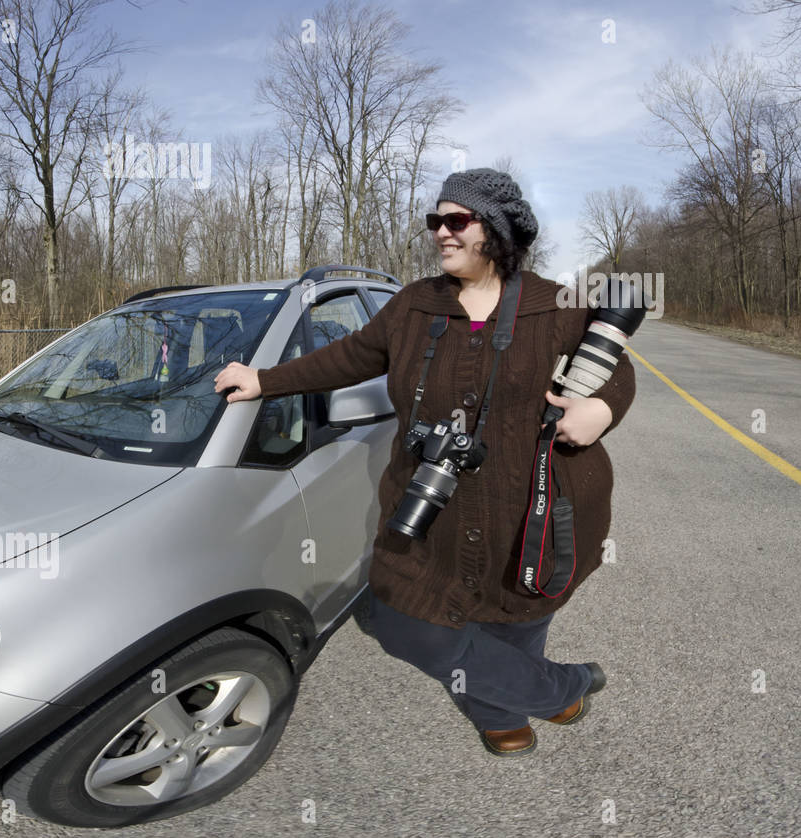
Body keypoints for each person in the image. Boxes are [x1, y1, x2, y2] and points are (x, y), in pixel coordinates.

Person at [212, 167, 636, 757]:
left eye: (456, 220)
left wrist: (600, 411)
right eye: (435, 220)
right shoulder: (414, 304)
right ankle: (561, 690)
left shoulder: (555, 304)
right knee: (408, 628)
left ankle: (500, 715)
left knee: (517, 621)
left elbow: (615, 367)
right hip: (432, 506)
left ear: (499, 230)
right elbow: (350, 357)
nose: (440, 232)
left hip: (535, 505)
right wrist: (264, 379)